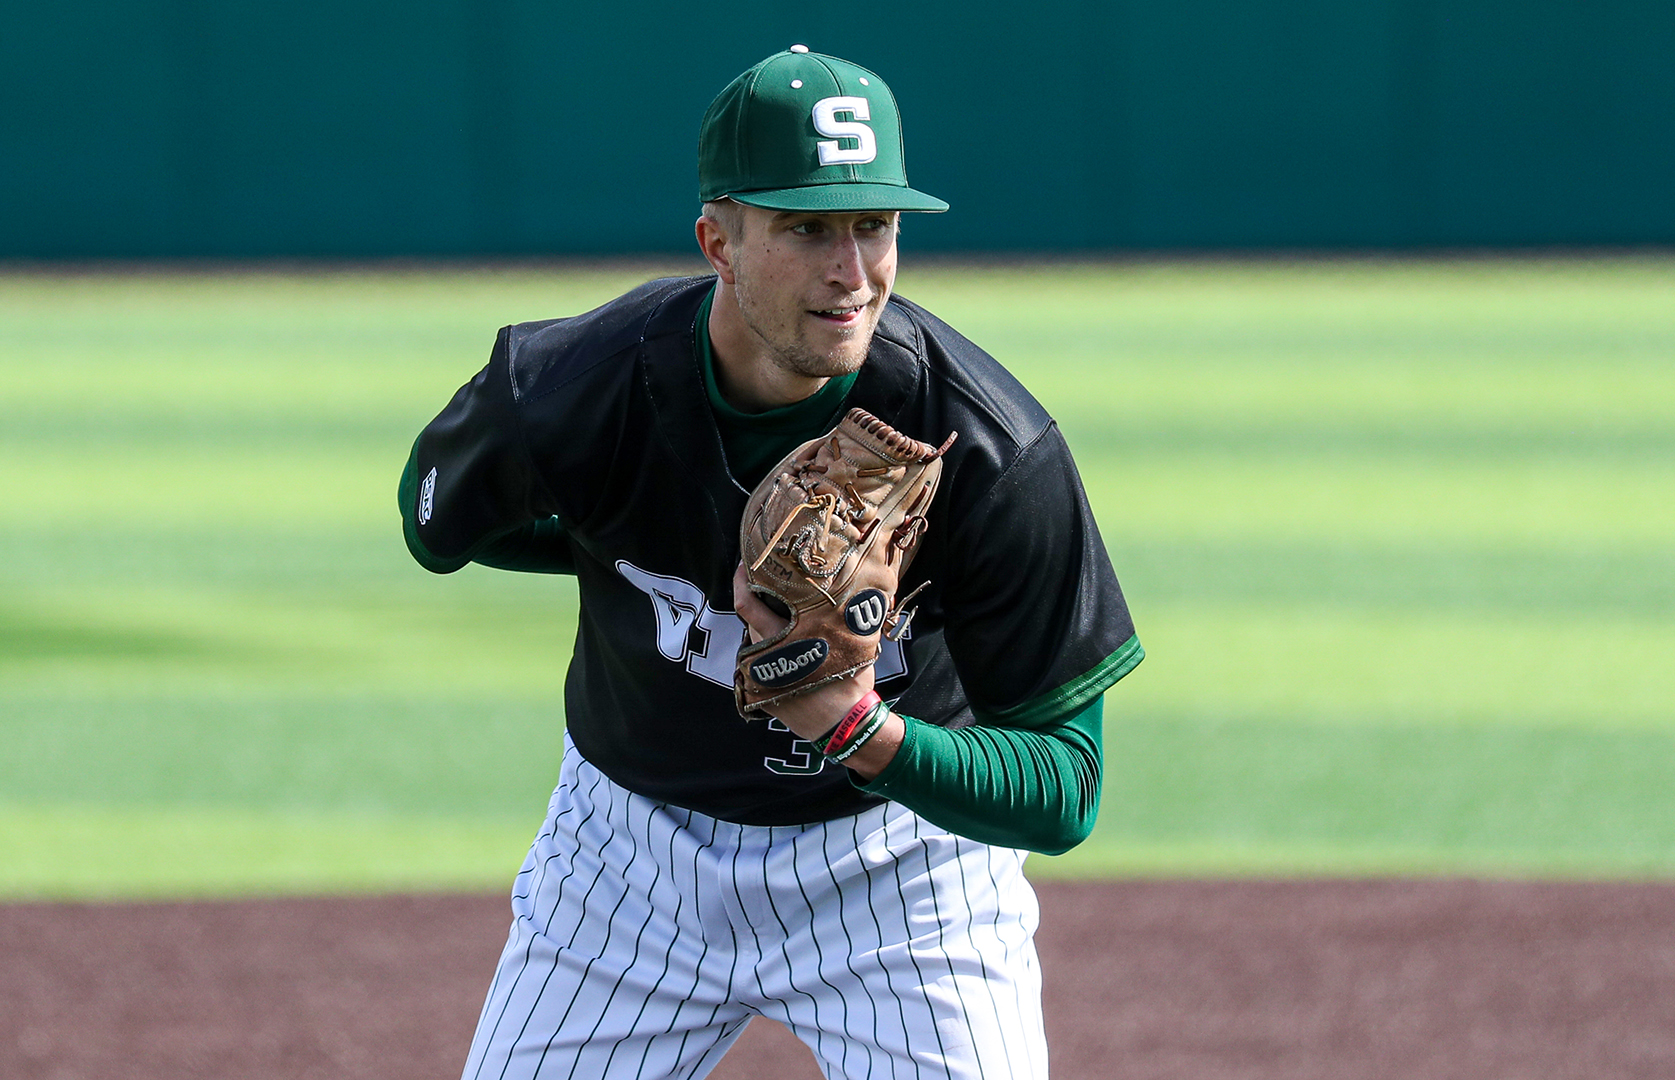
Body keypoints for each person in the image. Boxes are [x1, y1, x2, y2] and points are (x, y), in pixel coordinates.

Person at [401, 45, 1142, 1080]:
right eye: (806, 228)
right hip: (627, 865)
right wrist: (617, 543)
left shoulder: (984, 447)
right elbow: (436, 526)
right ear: (719, 240)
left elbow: (1067, 788)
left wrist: (856, 729)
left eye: (874, 226)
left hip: (904, 872)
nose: (853, 273)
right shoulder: (574, 387)